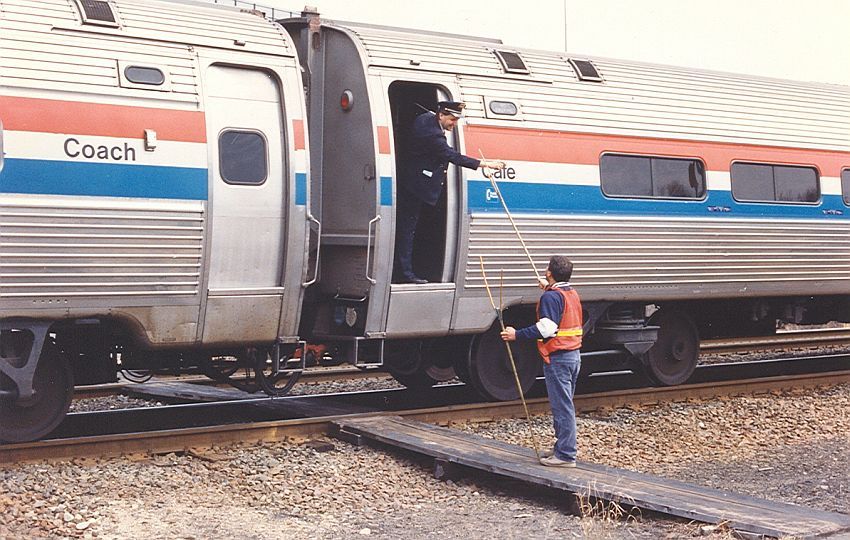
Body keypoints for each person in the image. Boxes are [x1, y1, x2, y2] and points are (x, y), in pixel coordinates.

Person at [395, 100, 505, 284]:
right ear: (441, 115)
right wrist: (487, 163)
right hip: (416, 188)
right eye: (452, 119)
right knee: (408, 231)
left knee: (410, 229)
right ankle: (405, 273)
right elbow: (452, 156)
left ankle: (406, 270)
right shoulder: (433, 136)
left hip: (413, 182)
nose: (454, 124)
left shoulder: (425, 118)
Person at [501, 256, 583, 467]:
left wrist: (515, 334)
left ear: (549, 272)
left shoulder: (551, 298)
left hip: (558, 357)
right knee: (565, 404)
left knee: (562, 406)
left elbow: (547, 328)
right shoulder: (571, 293)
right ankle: (562, 447)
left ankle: (565, 455)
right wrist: (548, 288)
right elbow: (560, 308)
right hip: (573, 355)